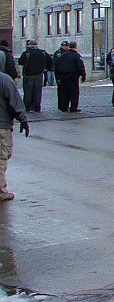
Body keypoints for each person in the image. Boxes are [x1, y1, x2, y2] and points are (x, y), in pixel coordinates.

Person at [0, 70, 30, 201]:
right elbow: (15, 101)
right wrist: (23, 119)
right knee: (1, 157)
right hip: (2, 125)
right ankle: (1, 191)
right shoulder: (4, 79)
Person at [18, 40, 52, 113]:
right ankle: (37, 107)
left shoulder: (26, 53)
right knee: (37, 92)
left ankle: (27, 107)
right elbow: (50, 62)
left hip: (28, 76)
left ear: (29, 45)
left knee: (27, 92)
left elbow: (20, 62)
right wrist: (47, 68)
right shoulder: (43, 52)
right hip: (39, 75)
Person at [54, 41, 86, 113]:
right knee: (74, 93)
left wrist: (58, 76)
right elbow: (80, 66)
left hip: (63, 77)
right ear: (75, 47)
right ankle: (73, 108)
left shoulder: (62, 55)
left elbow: (57, 66)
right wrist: (83, 75)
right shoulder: (76, 56)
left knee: (65, 93)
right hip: (73, 77)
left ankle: (64, 107)